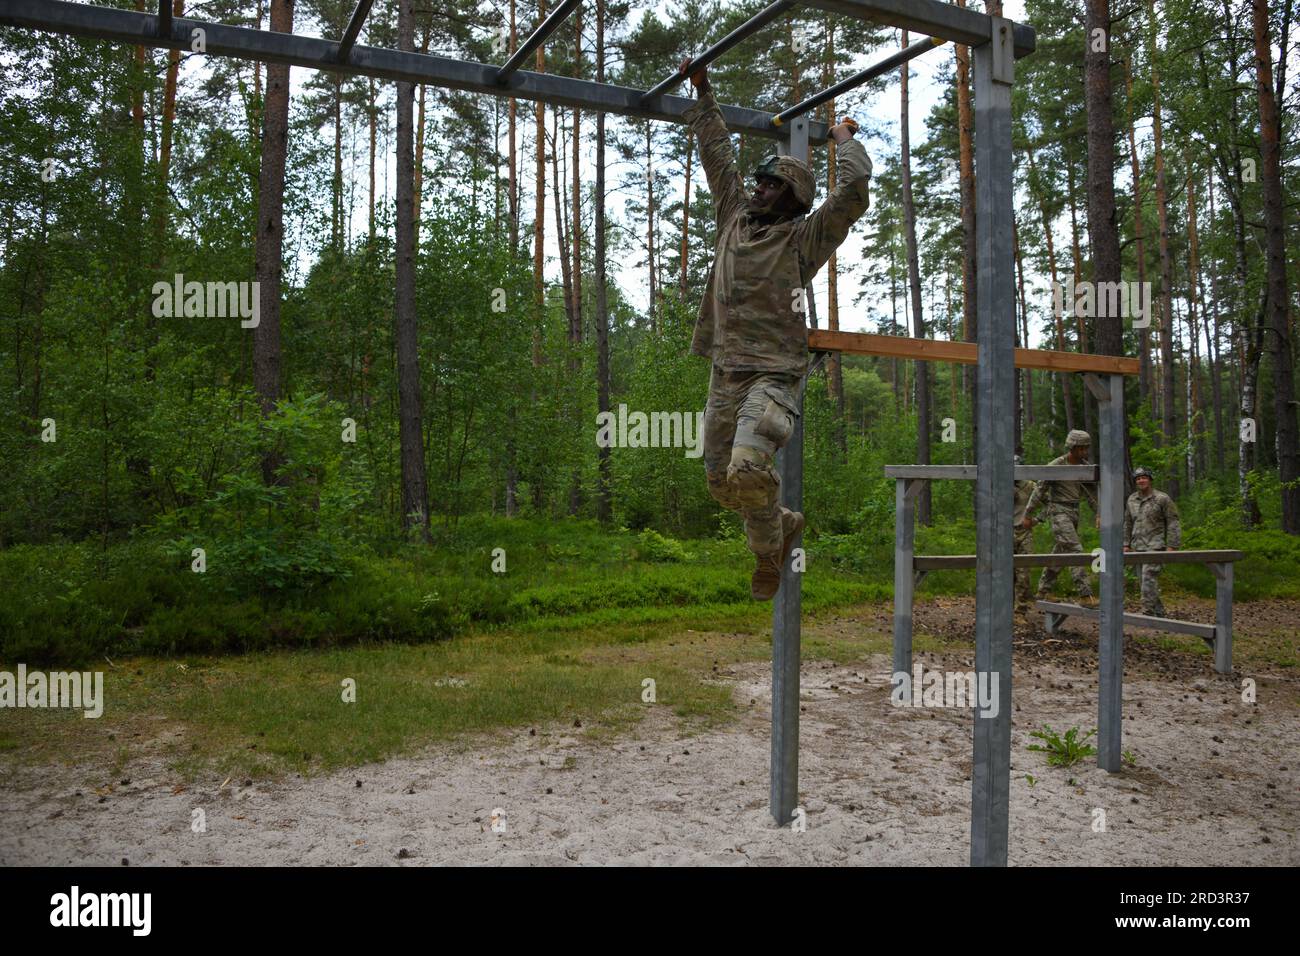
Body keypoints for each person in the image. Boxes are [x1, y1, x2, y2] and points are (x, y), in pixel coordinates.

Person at [680, 57, 872, 600]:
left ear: (792, 200)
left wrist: (843, 139)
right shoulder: (733, 218)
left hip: (774, 374)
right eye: (760, 181)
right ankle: (781, 521)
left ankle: (766, 554)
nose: (759, 189)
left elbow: (853, 191)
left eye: (772, 185)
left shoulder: (802, 241)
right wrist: (704, 90)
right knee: (721, 484)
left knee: (746, 468)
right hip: (726, 370)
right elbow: (716, 152)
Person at [1023, 430, 1098, 604]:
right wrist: (1028, 514)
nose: (1085, 452)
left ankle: (1043, 590)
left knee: (1060, 552)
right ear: (1072, 447)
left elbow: (1091, 494)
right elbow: (1039, 490)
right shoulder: (1056, 466)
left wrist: (1099, 513)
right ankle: (1085, 594)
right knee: (1074, 550)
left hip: (1074, 512)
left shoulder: (1084, 467)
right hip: (1059, 512)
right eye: (1081, 448)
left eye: (1086, 448)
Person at [1123, 466, 1181, 616]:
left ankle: (1147, 613)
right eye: (1138, 479)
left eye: (1144, 477)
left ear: (1150, 479)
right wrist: (1126, 543)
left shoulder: (1162, 498)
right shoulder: (1132, 499)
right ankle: (1160, 613)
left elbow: (1173, 521)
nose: (1141, 481)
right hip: (1137, 546)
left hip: (1155, 546)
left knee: (1148, 579)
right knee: (1145, 583)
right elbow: (1128, 522)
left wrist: (1172, 546)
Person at [1013, 454, 1038, 609]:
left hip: (1024, 532)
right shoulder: (997, 484)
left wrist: (1036, 520)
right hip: (1003, 532)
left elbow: (1048, 503)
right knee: (1004, 573)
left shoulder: (1030, 486)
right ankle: (1003, 610)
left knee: (1024, 573)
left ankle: (1020, 610)